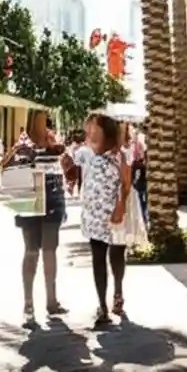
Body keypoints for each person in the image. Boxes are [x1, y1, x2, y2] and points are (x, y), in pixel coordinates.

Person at [63, 113, 132, 327]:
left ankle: (118, 293)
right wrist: (67, 167)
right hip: (93, 214)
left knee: (117, 253)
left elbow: (126, 183)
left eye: (94, 129)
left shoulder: (120, 155)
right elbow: (72, 173)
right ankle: (102, 306)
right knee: (98, 257)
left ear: (107, 133)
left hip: (114, 213)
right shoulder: (84, 153)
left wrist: (120, 207)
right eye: (88, 128)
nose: (90, 132)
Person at [15, 123, 67, 328]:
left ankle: (51, 301)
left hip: (53, 197)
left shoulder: (55, 145)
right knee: (31, 251)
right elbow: (17, 170)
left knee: (50, 250)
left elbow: (67, 164)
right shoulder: (24, 145)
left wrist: (55, 146)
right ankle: (28, 304)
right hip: (30, 197)